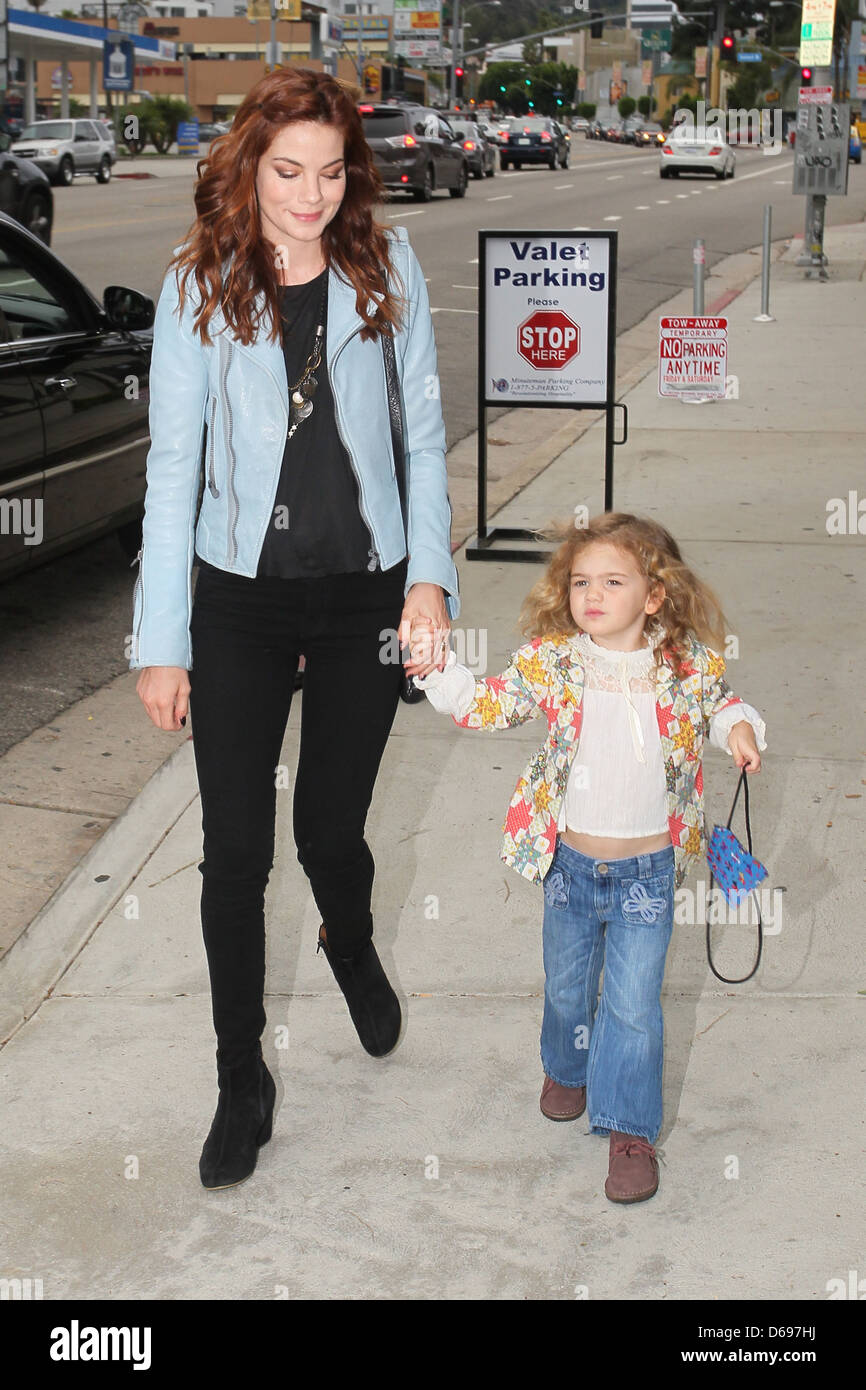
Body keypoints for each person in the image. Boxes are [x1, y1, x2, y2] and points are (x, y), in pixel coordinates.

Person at [129, 67, 459, 1190]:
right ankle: (241, 1080)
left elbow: (420, 430)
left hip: (366, 588)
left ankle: (349, 940)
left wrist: (430, 582)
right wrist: (159, 638)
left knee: (326, 832)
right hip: (240, 596)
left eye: (328, 172)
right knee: (235, 852)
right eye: (286, 172)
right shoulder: (198, 283)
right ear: (246, 166)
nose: (309, 196)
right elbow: (172, 468)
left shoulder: (385, 261)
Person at [408, 512, 766, 1203]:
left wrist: (741, 731)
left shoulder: (684, 664)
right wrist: (439, 672)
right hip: (569, 868)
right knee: (569, 988)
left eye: (612, 581)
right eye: (580, 582)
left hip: (648, 875)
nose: (591, 594)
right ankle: (566, 1067)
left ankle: (629, 1129)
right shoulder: (555, 660)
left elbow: (723, 705)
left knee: (633, 1006)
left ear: (655, 595)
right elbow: (488, 705)